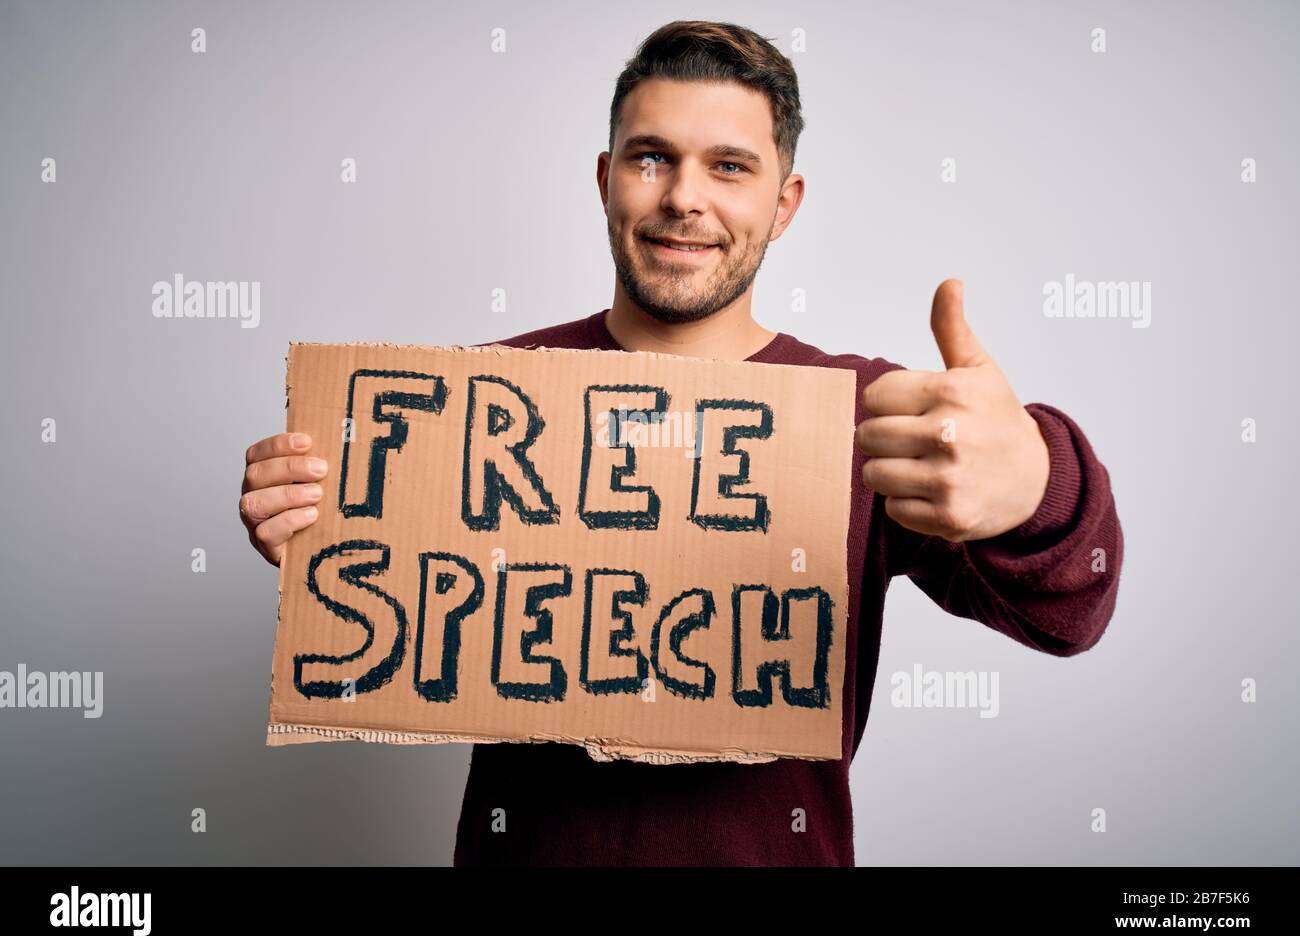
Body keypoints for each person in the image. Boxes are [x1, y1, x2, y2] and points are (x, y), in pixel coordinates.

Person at [237, 20, 1123, 865]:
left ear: (784, 205)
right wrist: (326, 529)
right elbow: (399, 589)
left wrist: (1035, 486)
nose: (684, 197)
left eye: (729, 167)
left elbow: (1069, 617)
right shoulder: (481, 400)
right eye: (651, 158)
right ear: (605, 179)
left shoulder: (866, 411)